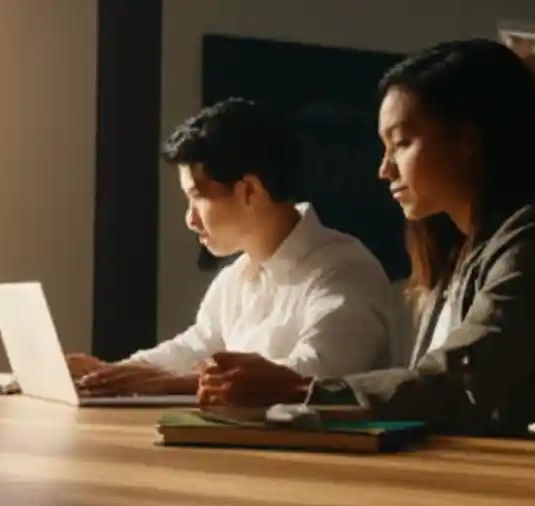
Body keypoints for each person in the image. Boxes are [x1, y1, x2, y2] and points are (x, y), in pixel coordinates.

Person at [198, 39, 535, 434]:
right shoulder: (459, 254)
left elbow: (456, 381)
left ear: (467, 139)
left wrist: (301, 390)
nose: (383, 169)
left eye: (401, 143)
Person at [70, 98, 402, 398]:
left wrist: (169, 383)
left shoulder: (344, 269)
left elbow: (316, 375)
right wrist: (109, 373)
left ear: (249, 191)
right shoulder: (236, 277)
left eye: (197, 197)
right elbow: (195, 346)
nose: (190, 219)